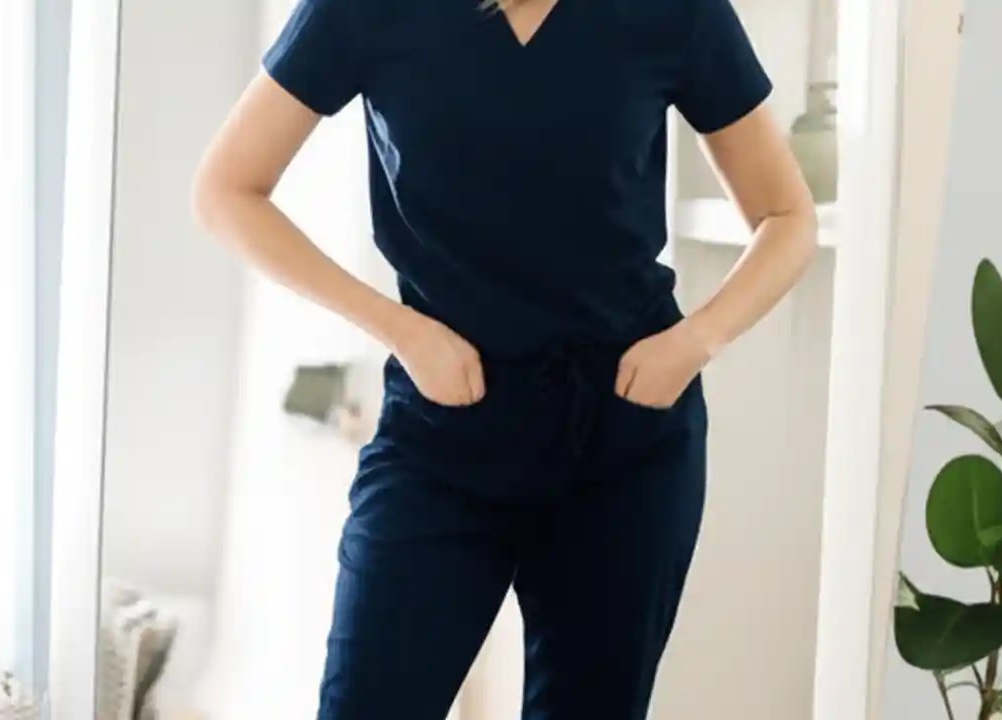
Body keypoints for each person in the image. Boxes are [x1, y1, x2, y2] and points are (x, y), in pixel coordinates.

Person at [191, 0, 816, 716]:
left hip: (624, 437)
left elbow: (786, 216)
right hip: (442, 432)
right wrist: (400, 329)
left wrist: (693, 343)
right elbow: (226, 191)